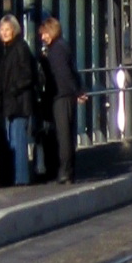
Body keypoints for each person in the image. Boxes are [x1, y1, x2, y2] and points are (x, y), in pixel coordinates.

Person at [0, 15, 36, 186]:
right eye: (2, 30)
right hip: (12, 102)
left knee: (18, 140)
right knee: (13, 140)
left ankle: (21, 178)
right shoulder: (9, 49)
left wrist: (13, 88)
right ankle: (16, 176)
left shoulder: (20, 48)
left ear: (15, 30)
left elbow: (28, 75)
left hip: (18, 102)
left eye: (7, 29)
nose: (4, 33)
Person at [39, 17, 79, 184]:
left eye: (45, 33)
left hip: (61, 96)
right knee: (66, 134)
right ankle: (67, 170)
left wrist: (74, 90)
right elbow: (72, 71)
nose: (42, 37)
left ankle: (65, 171)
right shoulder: (62, 46)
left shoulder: (56, 50)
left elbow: (62, 74)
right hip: (66, 94)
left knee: (63, 135)